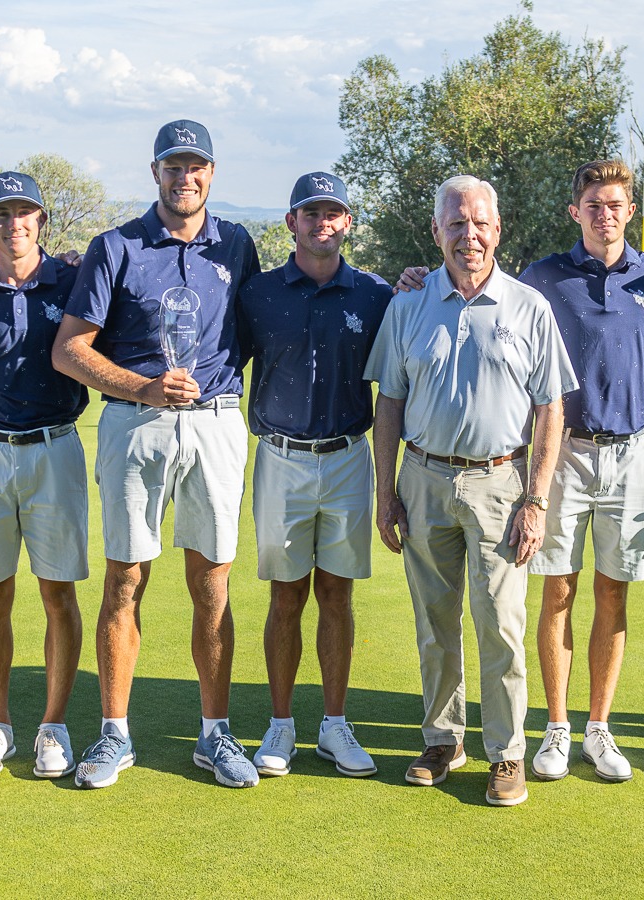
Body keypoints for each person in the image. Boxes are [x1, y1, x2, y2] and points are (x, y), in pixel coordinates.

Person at [53, 119, 262, 789]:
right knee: (125, 580)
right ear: (155, 173)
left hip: (215, 424)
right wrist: (141, 387)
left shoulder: (237, 244)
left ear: (211, 173)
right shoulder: (115, 246)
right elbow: (69, 350)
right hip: (135, 422)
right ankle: (115, 733)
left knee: (213, 584)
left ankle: (214, 734)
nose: (185, 177)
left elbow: (259, 326)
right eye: (173, 166)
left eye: (196, 166)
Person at [366, 174, 576, 807]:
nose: (469, 236)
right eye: (456, 223)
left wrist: (536, 499)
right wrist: (385, 493)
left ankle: (506, 752)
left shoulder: (529, 307)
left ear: (498, 229)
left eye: (480, 223)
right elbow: (389, 403)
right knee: (435, 623)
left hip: (502, 484)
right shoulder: (408, 305)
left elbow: (550, 409)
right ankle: (442, 740)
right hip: (423, 477)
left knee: (501, 625)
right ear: (436, 231)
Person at [517, 160, 644, 782]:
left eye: (615, 205)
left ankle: (598, 726)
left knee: (614, 590)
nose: (604, 215)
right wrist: (417, 279)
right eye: (593, 205)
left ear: (630, 212)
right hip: (563, 451)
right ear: (574, 212)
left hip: (632, 451)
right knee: (558, 589)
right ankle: (557, 726)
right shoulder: (543, 276)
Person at [236, 173, 392, 779]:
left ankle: (333, 724)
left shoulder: (375, 294)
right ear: (291, 222)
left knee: (336, 593)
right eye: (310, 212)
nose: (322, 222)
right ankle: (280, 725)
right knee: (286, 594)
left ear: (347, 221)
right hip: (281, 457)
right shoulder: (258, 294)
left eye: (333, 212)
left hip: (349, 455)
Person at [0, 172, 90, 779]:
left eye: (24, 213)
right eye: (2, 214)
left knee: (58, 593)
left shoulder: (73, 279)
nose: (14, 224)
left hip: (55, 448)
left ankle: (53, 726)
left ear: (41, 221)